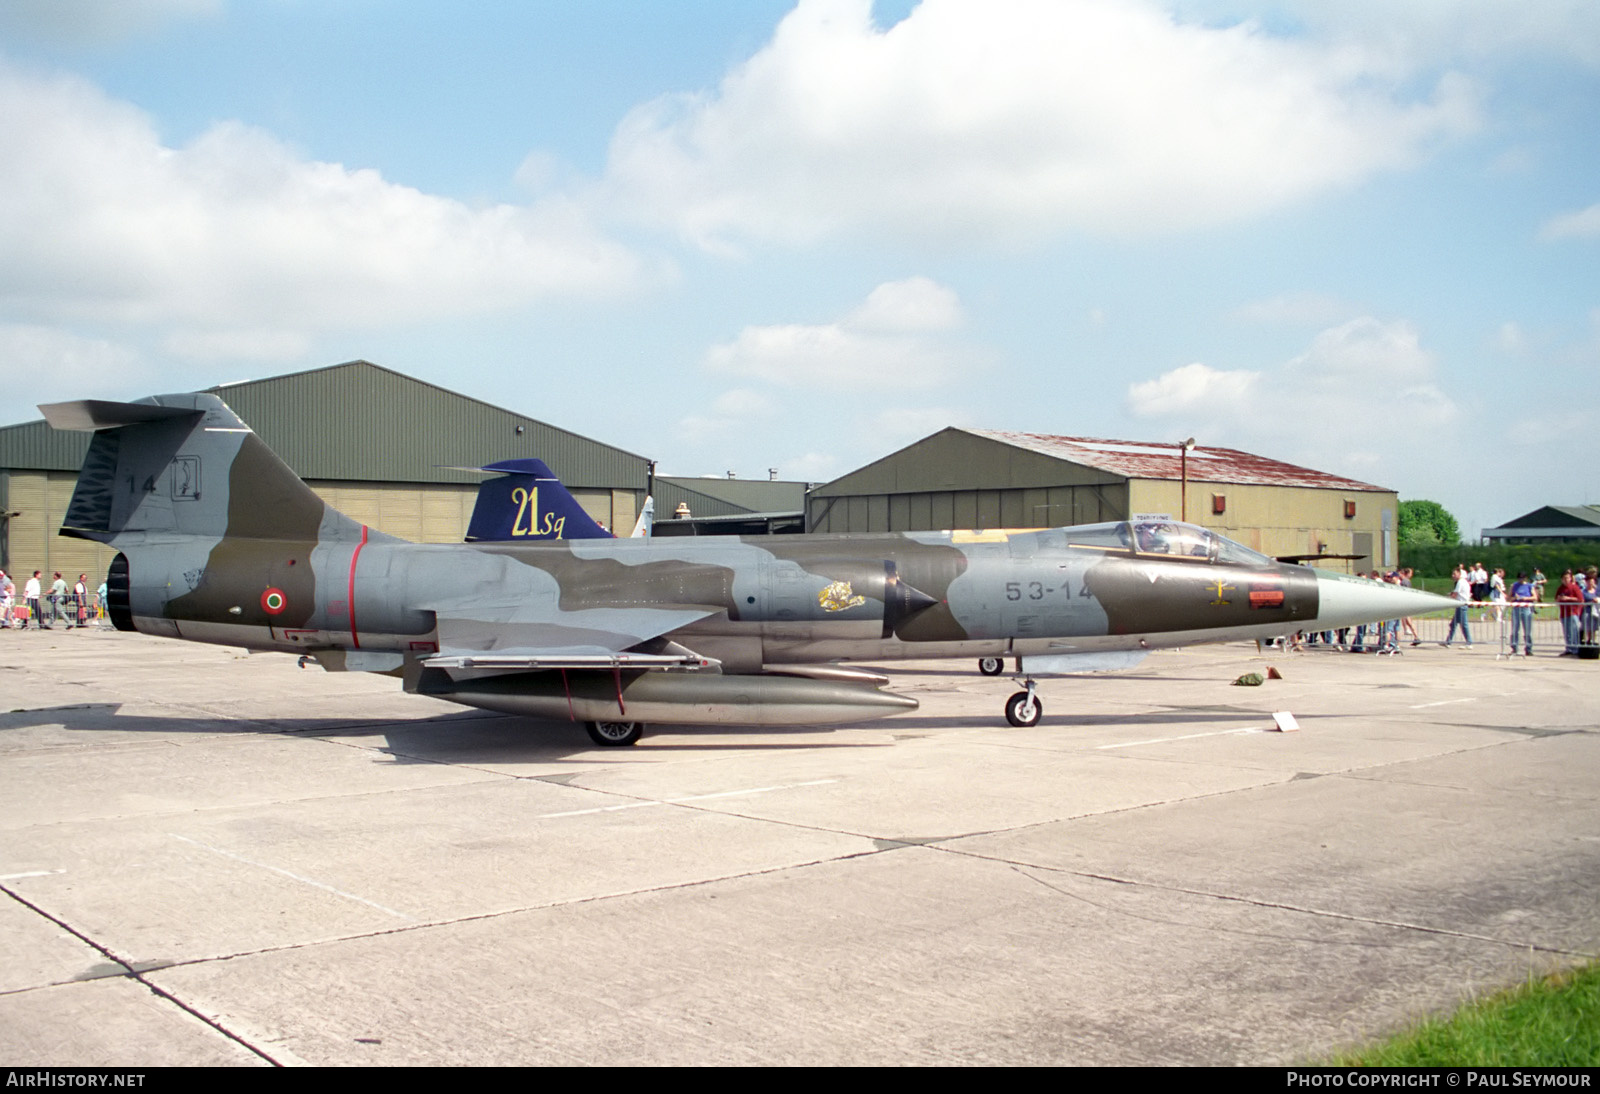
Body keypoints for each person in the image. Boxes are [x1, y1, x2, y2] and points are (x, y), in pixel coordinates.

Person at [1444, 565, 1473, 648]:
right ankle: (1448, 641)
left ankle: (1469, 642)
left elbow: (1455, 594)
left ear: (1459, 574)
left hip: (1462, 605)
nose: (1453, 576)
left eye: (1454, 574)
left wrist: (1448, 598)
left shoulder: (1460, 582)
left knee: (1464, 625)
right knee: (1453, 624)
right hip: (1459, 605)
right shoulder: (1463, 582)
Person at [1555, 570, 1583, 656]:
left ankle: (1576, 649)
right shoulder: (1560, 588)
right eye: (1564, 578)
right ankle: (1569, 648)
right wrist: (1559, 598)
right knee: (1567, 632)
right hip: (1564, 613)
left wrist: (1568, 598)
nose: (1566, 580)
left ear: (1570, 578)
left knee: (1574, 631)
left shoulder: (1574, 587)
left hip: (1573, 612)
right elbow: (1556, 599)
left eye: (1567, 578)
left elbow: (1580, 599)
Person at [1508, 572, 1535, 656]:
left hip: (1526, 608)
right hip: (1516, 608)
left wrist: (1525, 598)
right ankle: (1514, 647)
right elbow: (1509, 598)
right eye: (1519, 578)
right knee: (1515, 629)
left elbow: (1535, 597)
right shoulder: (1514, 585)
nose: (1521, 580)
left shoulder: (1529, 586)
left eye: (1522, 578)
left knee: (1527, 630)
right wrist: (1514, 598)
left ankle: (1528, 648)